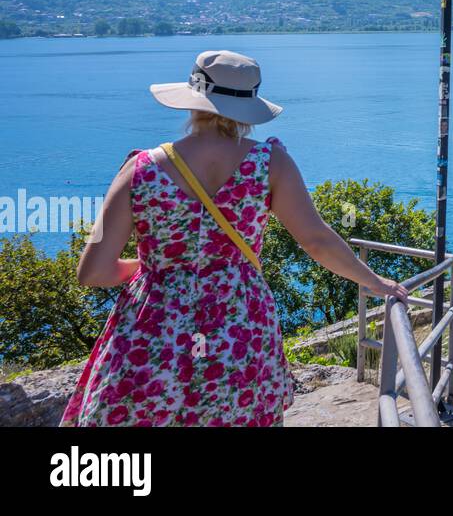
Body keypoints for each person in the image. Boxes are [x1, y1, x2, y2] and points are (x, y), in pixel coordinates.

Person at [61, 49, 408, 427]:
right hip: (239, 323)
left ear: (191, 101)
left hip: (153, 327)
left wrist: (150, 269)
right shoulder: (270, 164)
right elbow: (316, 240)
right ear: (248, 107)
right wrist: (376, 283)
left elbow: (92, 271)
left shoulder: (140, 169)